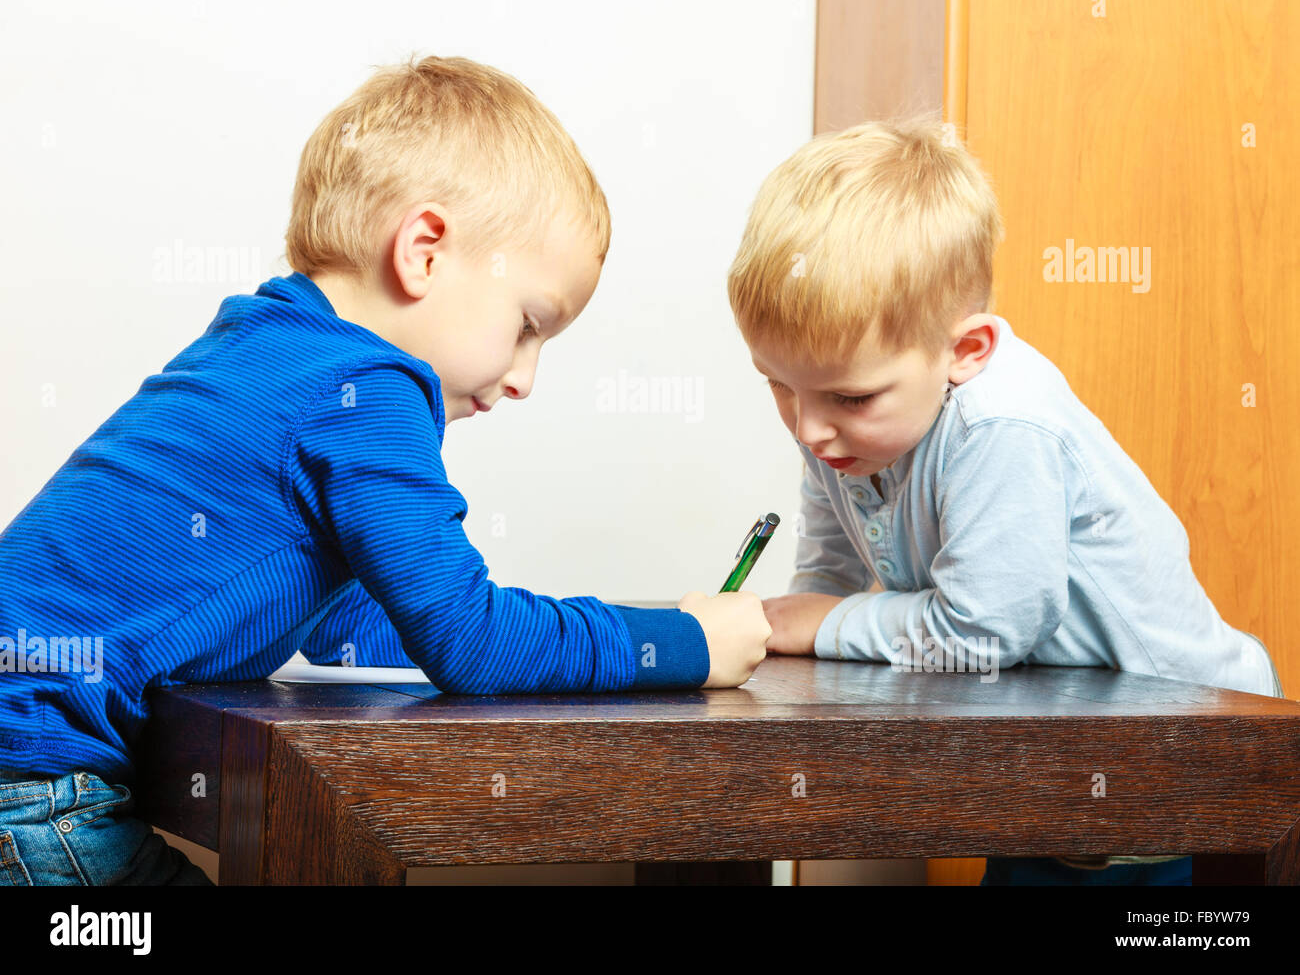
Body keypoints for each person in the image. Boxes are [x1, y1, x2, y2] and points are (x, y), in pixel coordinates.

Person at [0, 55, 770, 886]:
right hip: (36, 786)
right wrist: (685, 643)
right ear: (425, 252)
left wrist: (497, 624)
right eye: (526, 326)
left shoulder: (272, 345)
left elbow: (357, 623)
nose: (524, 378)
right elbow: (469, 640)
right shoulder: (365, 385)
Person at [726, 114, 1283, 886]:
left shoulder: (1003, 426)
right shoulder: (841, 429)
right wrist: (761, 632)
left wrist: (824, 624)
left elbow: (981, 635)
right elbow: (826, 579)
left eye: (849, 396)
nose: (810, 428)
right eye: (779, 386)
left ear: (965, 351)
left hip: (1179, 761)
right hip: (1054, 765)